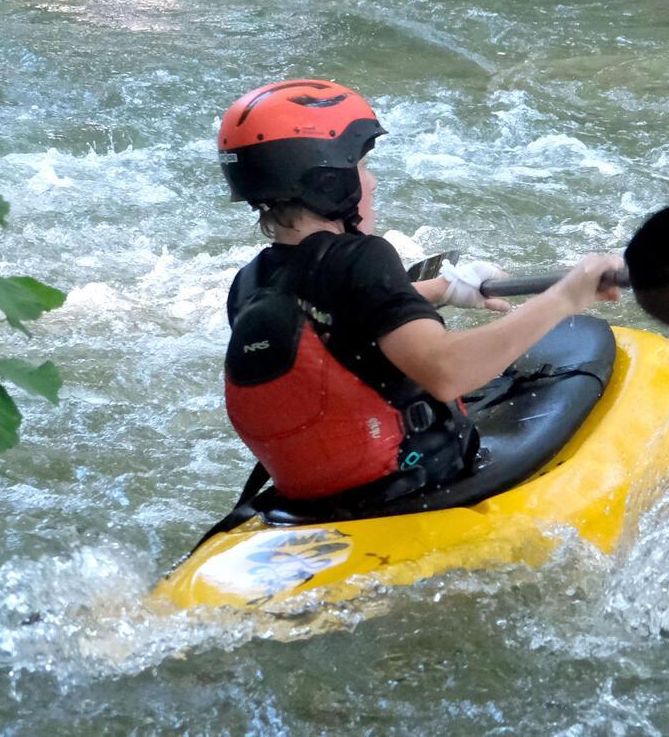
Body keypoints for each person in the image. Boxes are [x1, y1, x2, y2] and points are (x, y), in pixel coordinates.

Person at [215, 79, 622, 510]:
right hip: (412, 489)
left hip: (315, 504)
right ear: (327, 180)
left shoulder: (250, 282)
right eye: (363, 165)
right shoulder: (361, 257)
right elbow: (447, 372)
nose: (371, 182)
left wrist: (444, 288)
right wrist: (566, 296)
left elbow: (337, 325)